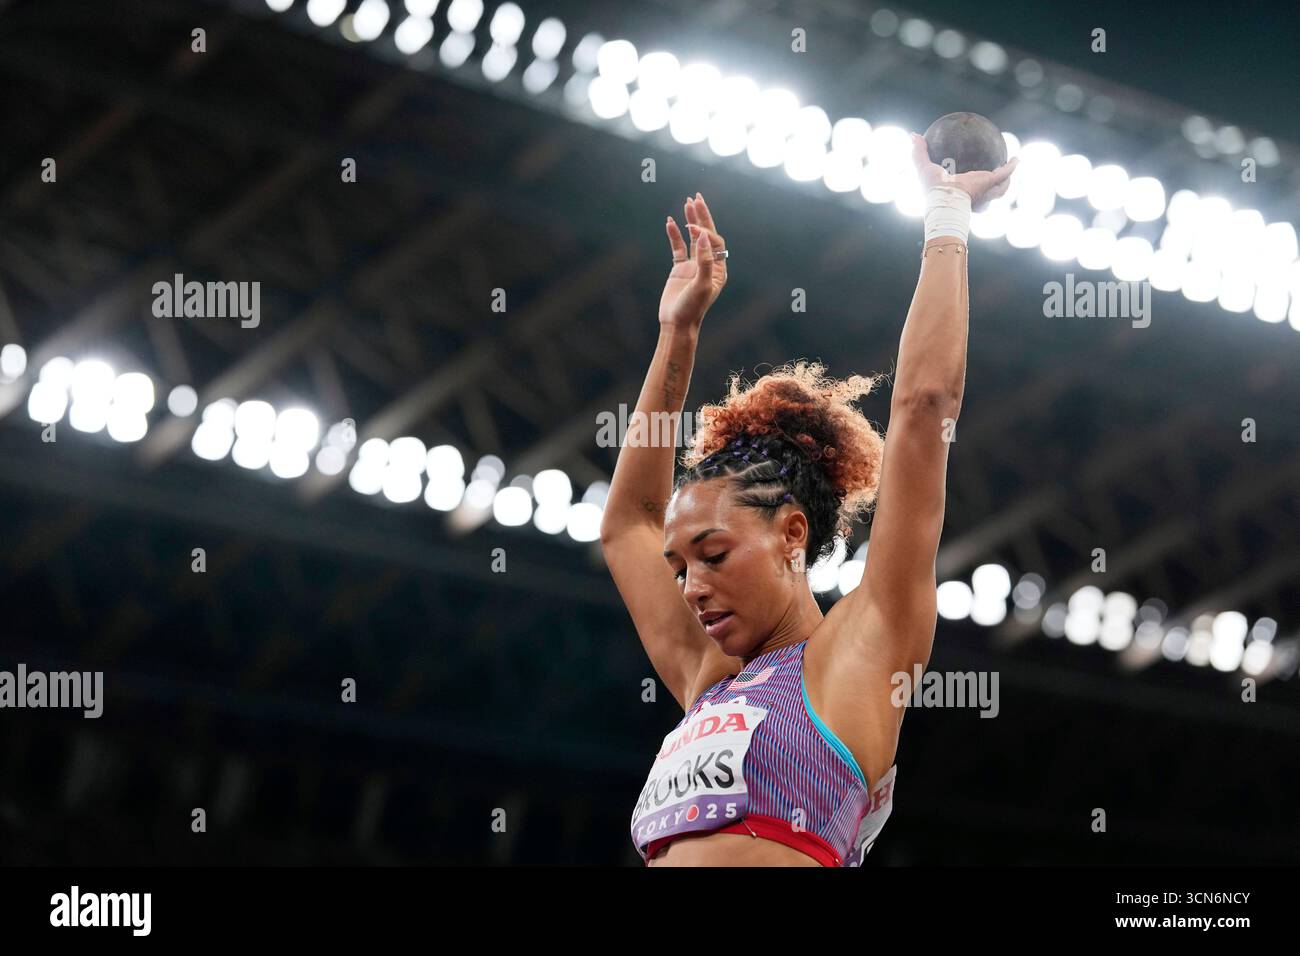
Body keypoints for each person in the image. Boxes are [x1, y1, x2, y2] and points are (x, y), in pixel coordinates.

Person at [599, 136, 1017, 866]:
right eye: (680, 567)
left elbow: (923, 405)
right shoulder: (708, 678)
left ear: (793, 533)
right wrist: (679, 332)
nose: (691, 588)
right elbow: (629, 523)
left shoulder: (861, 651)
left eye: (714, 554)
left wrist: (947, 212)